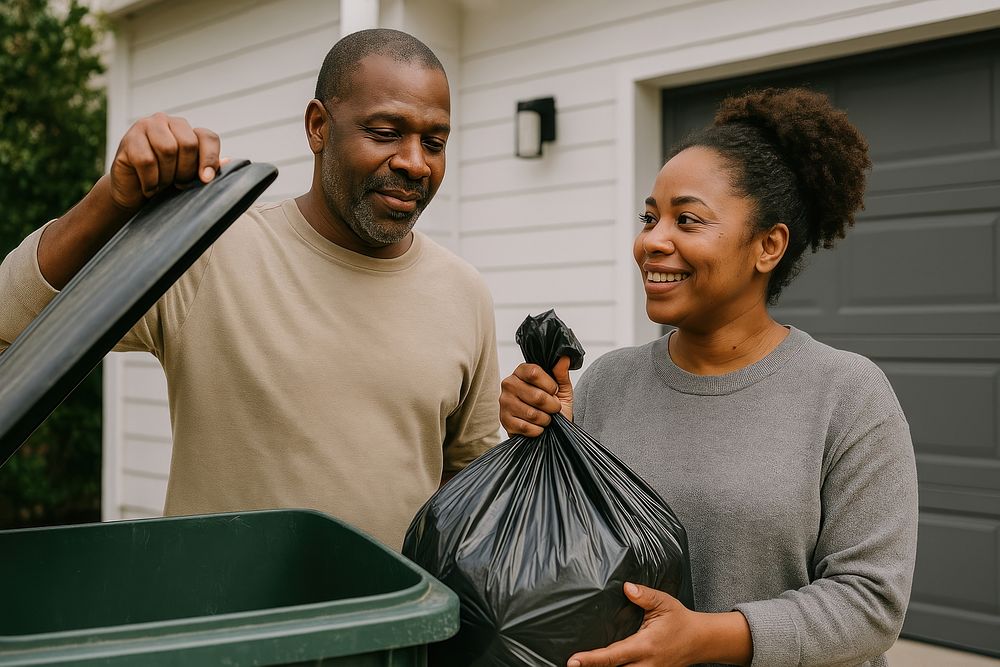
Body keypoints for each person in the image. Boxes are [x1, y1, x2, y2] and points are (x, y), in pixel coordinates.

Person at [0, 29, 501, 551]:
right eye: (383, 132)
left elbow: (472, 488)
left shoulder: (464, 294)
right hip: (219, 625)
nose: (415, 162)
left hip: (390, 627)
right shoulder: (210, 249)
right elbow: (12, 321)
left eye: (435, 143)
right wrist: (112, 201)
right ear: (318, 127)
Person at [500, 88, 917, 667]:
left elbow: (869, 603)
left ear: (768, 245)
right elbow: (559, 559)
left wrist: (705, 638)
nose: (652, 241)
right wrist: (544, 441)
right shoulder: (606, 384)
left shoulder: (846, 396)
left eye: (687, 220)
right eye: (650, 217)